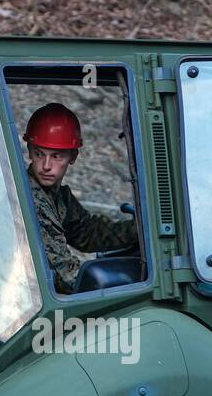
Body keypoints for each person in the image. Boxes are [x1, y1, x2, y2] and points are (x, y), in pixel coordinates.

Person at [23, 102, 138, 292]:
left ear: (73, 157)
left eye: (57, 156)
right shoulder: (30, 198)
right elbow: (64, 274)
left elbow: (87, 232)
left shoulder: (58, 197)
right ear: (30, 152)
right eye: (39, 154)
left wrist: (138, 231)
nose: (46, 165)